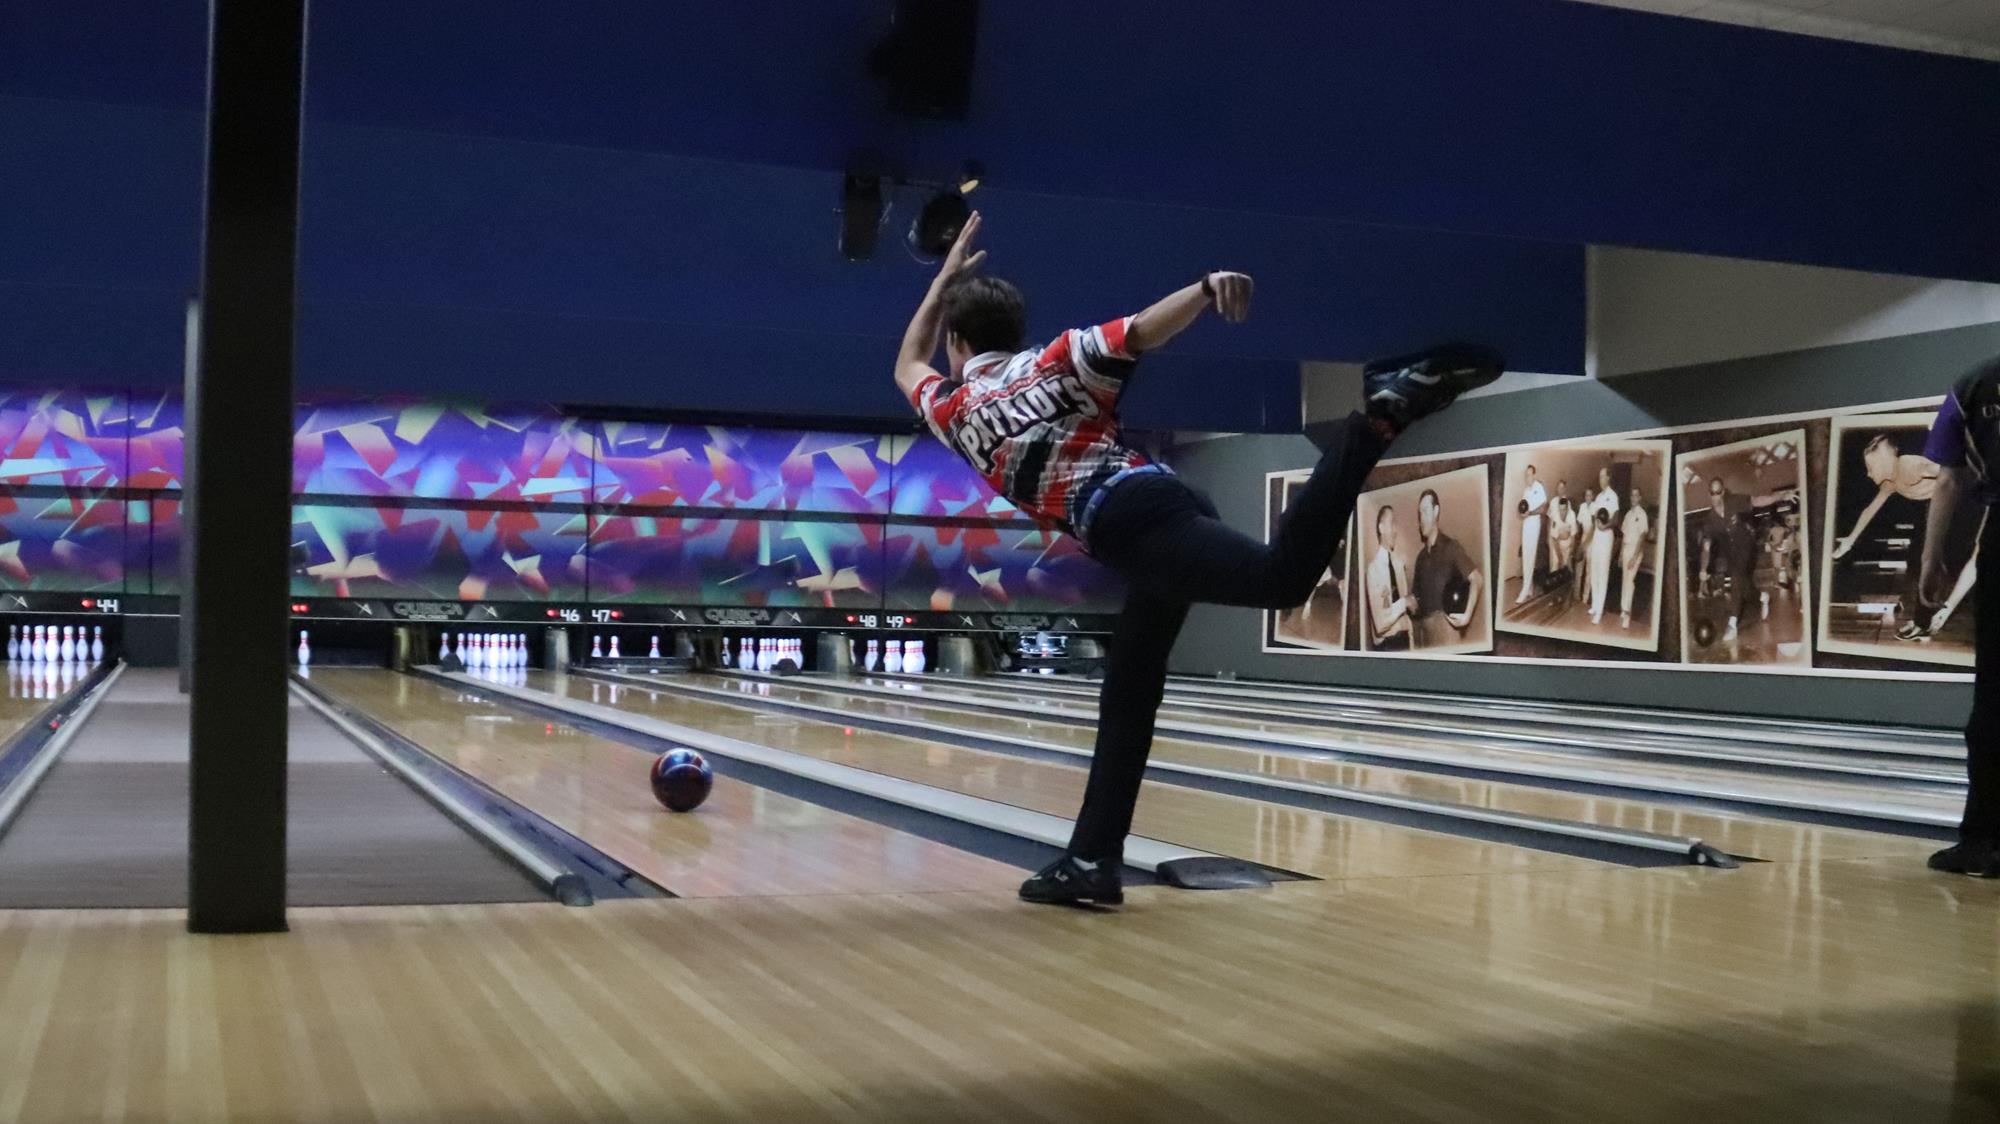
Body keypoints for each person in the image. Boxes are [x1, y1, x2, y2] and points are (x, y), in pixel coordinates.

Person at [894, 213, 1502, 904]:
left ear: (956, 341)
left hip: (1128, 527)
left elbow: (904, 363)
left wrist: (942, 282)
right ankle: (1091, 861)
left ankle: (1380, 417)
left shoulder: (952, 406)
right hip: (1160, 502)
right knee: (1130, 687)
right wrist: (1205, 289)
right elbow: (1144, 328)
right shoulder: (1056, 359)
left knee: (1281, 579)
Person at [1915, 356, 2000, 876]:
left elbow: (1948, 481)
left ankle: (1983, 841)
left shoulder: (1973, 382)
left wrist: (1931, 560)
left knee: (1994, 699)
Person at [1832, 432, 1978, 642]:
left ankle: (1922, 622)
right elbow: (1869, 510)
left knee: (1930, 561)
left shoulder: (1908, 465)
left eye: (1870, 467)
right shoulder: (1890, 482)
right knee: (1918, 559)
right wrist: (1850, 540)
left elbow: (1952, 469)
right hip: (1937, 504)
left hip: (1959, 500)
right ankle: (1922, 619)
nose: (1867, 473)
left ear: (1885, 461)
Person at [1410, 489, 1484, 649]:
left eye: (1425, 511)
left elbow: (1477, 579)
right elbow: (1416, 600)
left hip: (1446, 633)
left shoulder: (1451, 548)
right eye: (1419, 513)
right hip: (1423, 635)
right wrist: (1407, 602)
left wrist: (1466, 616)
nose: (1421, 518)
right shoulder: (1420, 558)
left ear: (1436, 511)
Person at [1365, 505, 1414, 651]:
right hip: (1388, 646)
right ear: (1381, 528)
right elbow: (1380, 624)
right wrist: (1405, 602)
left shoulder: (1398, 565)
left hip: (1406, 642)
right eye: (1392, 523)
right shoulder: (1373, 570)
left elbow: (1406, 612)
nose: (1395, 530)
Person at [1583, 467, 1621, 624]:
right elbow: (1595, 517)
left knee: (1603, 572)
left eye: (1602, 476)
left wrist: (1606, 526)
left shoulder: (1612, 496)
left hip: (1606, 536)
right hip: (1597, 536)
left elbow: (1616, 518)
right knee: (1594, 570)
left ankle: (1599, 611)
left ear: (1608, 478)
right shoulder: (1598, 497)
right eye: (1599, 477)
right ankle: (1595, 605)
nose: (1600, 479)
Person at [1514, 464, 1547, 605]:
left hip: (1534, 524)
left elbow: (1544, 508)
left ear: (1534, 475)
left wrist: (1530, 513)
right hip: (1526, 524)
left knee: (1530, 556)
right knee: (1526, 555)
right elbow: (1523, 510)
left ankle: (1524, 590)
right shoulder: (1526, 490)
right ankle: (1530, 588)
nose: (1527, 477)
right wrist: (1522, 515)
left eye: (1529, 474)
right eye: (1525, 475)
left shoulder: (1538, 487)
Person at [1619, 486, 1650, 629]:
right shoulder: (1628, 515)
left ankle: (1627, 613)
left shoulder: (1642, 514)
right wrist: (1620, 554)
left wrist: (1634, 556)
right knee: (1625, 580)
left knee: (1630, 580)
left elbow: (1642, 537)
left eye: (1636, 495)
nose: (1633, 498)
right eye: (1632, 495)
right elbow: (1624, 536)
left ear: (1640, 498)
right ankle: (1623, 609)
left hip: (1635, 551)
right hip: (1626, 549)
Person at [1548, 491, 1577, 601]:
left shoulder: (1572, 515)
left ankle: (1568, 595)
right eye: (1560, 510)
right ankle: (1554, 596)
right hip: (1557, 545)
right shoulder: (1555, 516)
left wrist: (1570, 554)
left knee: (1568, 569)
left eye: (1564, 510)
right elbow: (1554, 539)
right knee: (1555, 568)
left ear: (1567, 509)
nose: (1562, 513)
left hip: (1568, 545)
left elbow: (1573, 536)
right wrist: (1559, 557)